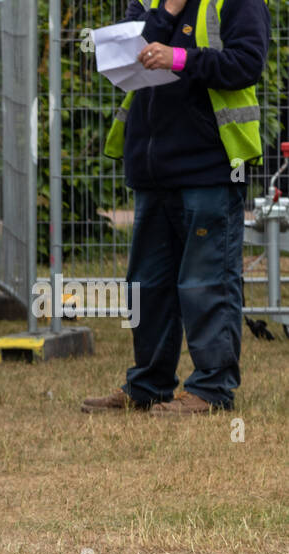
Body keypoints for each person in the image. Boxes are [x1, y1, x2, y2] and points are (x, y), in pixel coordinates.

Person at [83, 0, 269, 416]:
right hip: (152, 169)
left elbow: (247, 64)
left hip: (210, 167)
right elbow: (126, 55)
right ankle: (147, 386)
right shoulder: (148, 1)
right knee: (146, 288)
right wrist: (166, 10)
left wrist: (180, 57)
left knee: (207, 283)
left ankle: (211, 389)